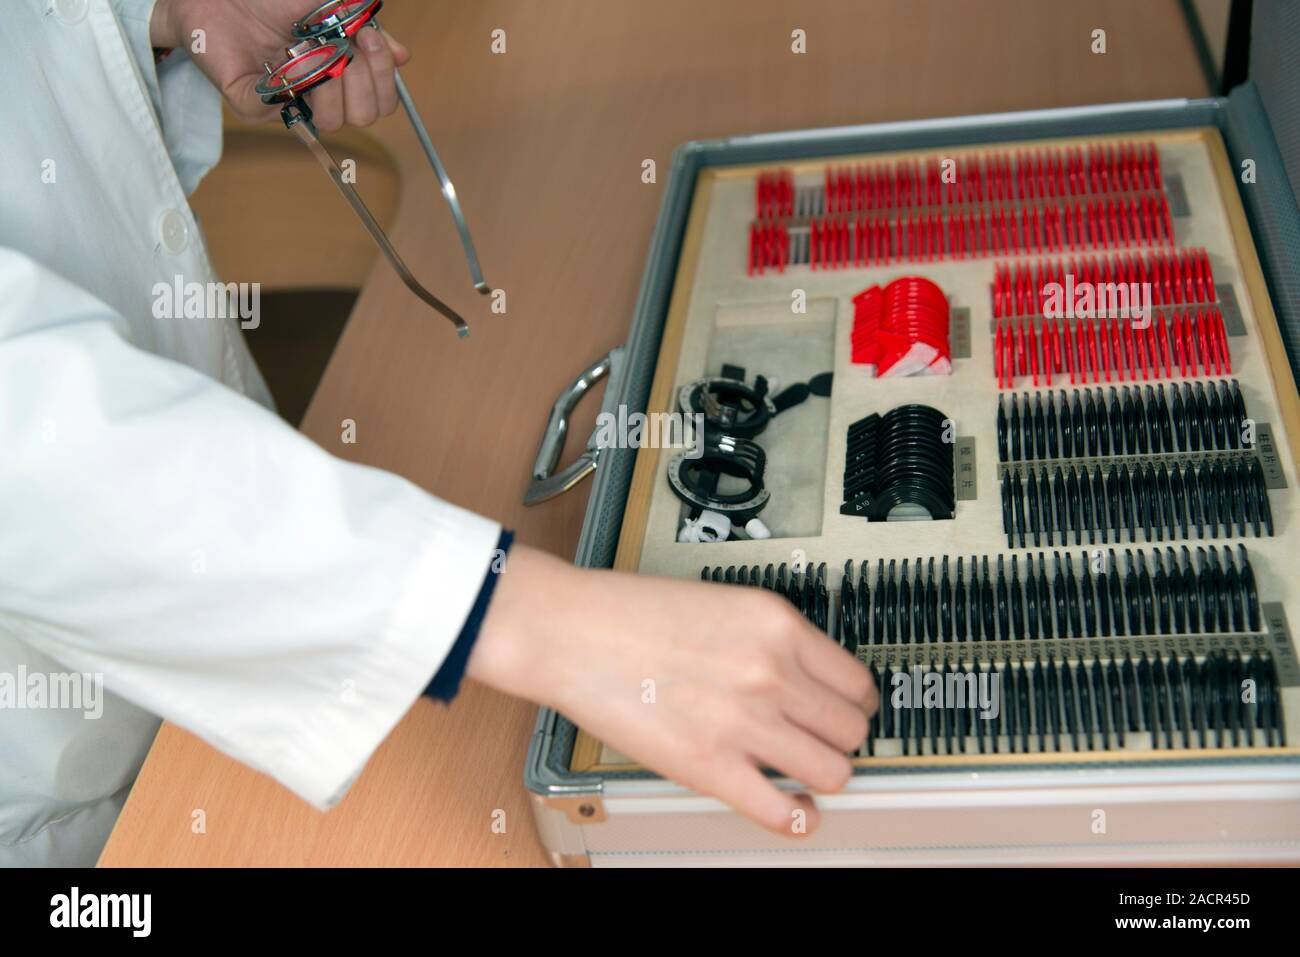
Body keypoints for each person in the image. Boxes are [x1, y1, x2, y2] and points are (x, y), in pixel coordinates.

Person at [0, 0, 876, 867]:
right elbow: (35, 441)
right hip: (54, 795)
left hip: (224, 623)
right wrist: (534, 622)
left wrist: (165, 12)